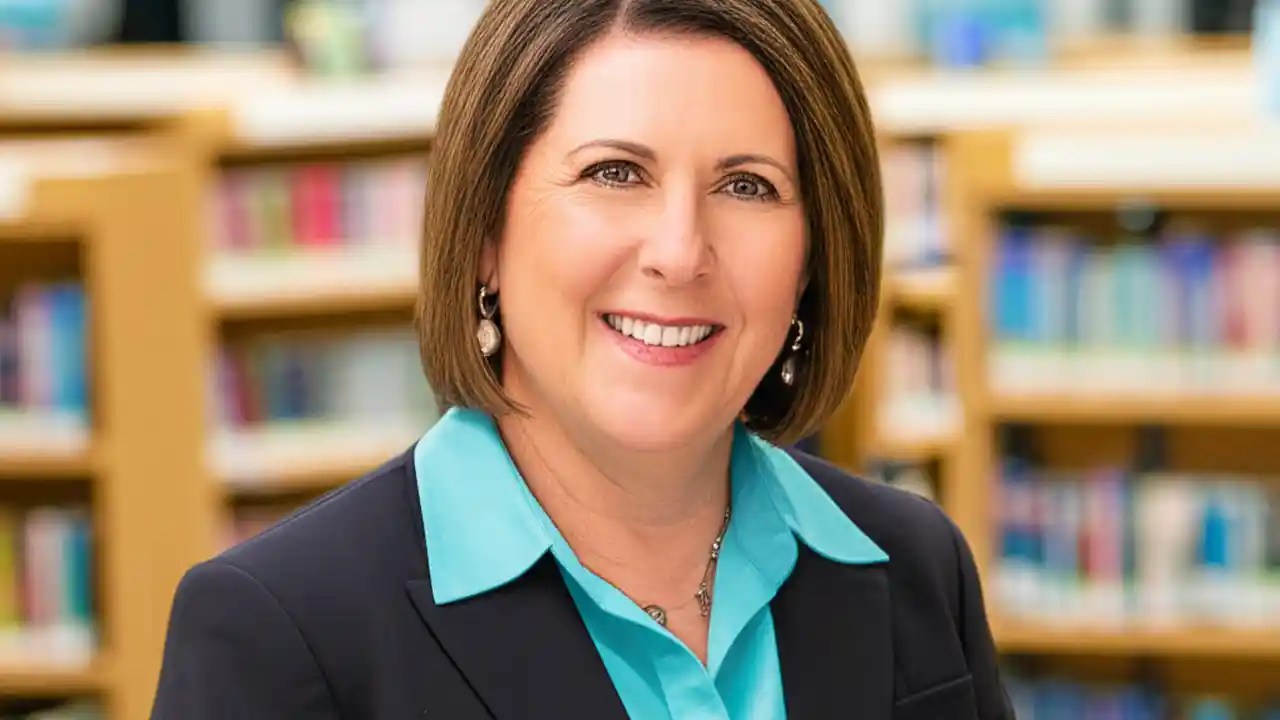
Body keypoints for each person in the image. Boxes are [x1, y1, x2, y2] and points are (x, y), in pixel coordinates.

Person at [151, 1, 1012, 717]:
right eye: (615, 174)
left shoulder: (915, 568)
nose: (680, 253)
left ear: (814, 257)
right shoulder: (282, 633)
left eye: (747, 186)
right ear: (485, 230)